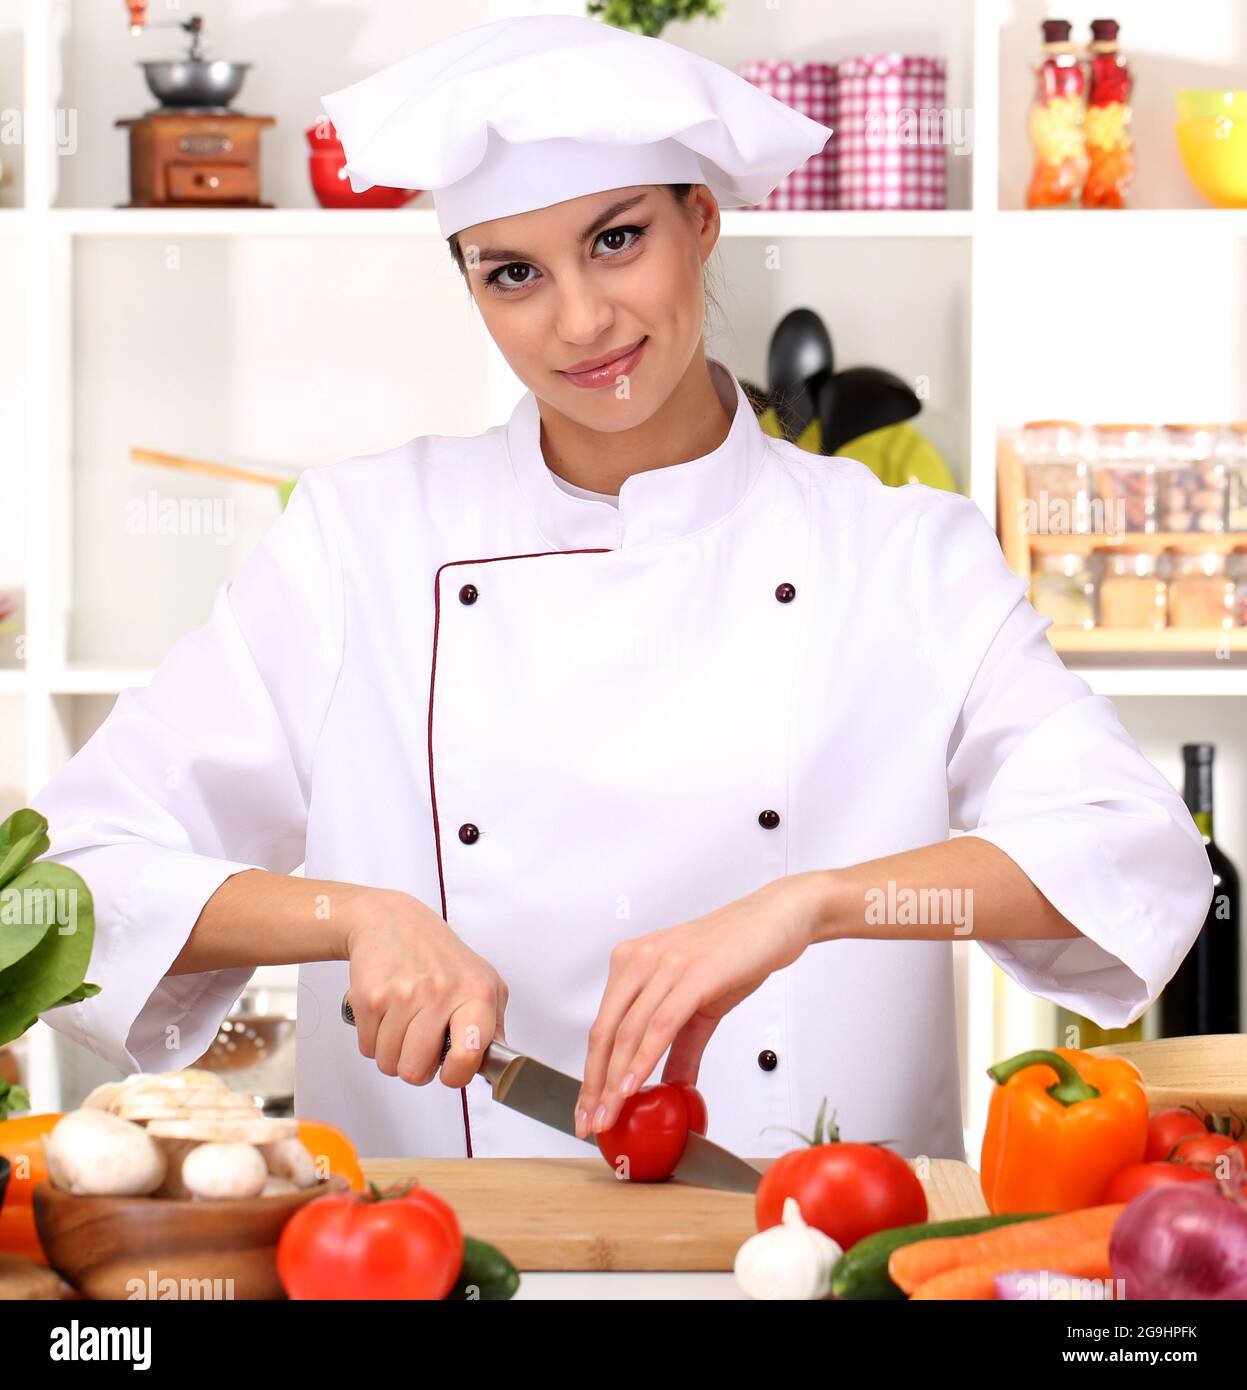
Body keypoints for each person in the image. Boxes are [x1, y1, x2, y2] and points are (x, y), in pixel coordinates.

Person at [32, 15, 1212, 1162]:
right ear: (471, 288)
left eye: (614, 240)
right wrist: (353, 915)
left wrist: (814, 902)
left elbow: (1134, 856)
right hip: (435, 1252)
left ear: (700, 222)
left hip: (824, 1245)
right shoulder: (361, 541)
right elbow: (70, 875)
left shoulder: (903, 553)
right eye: (512, 273)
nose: (580, 320)